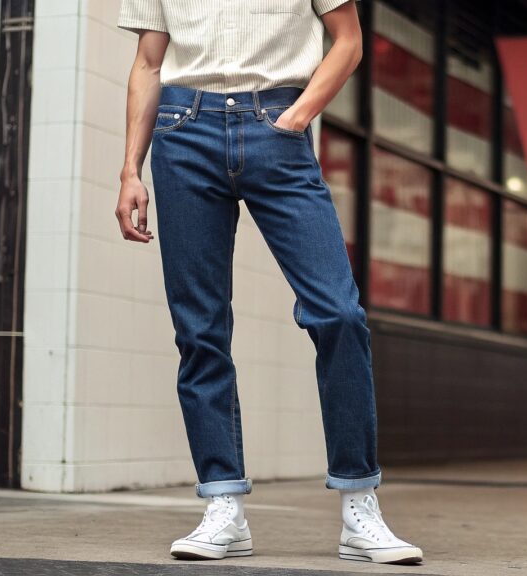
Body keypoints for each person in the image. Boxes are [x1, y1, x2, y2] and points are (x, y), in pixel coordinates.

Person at [114, 0, 422, 565]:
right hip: (183, 133)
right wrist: (132, 168)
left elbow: (348, 40)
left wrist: (300, 115)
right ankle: (223, 505)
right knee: (199, 327)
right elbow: (148, 63)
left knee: (339, 314)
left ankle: (360, 501)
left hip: (276, 126)